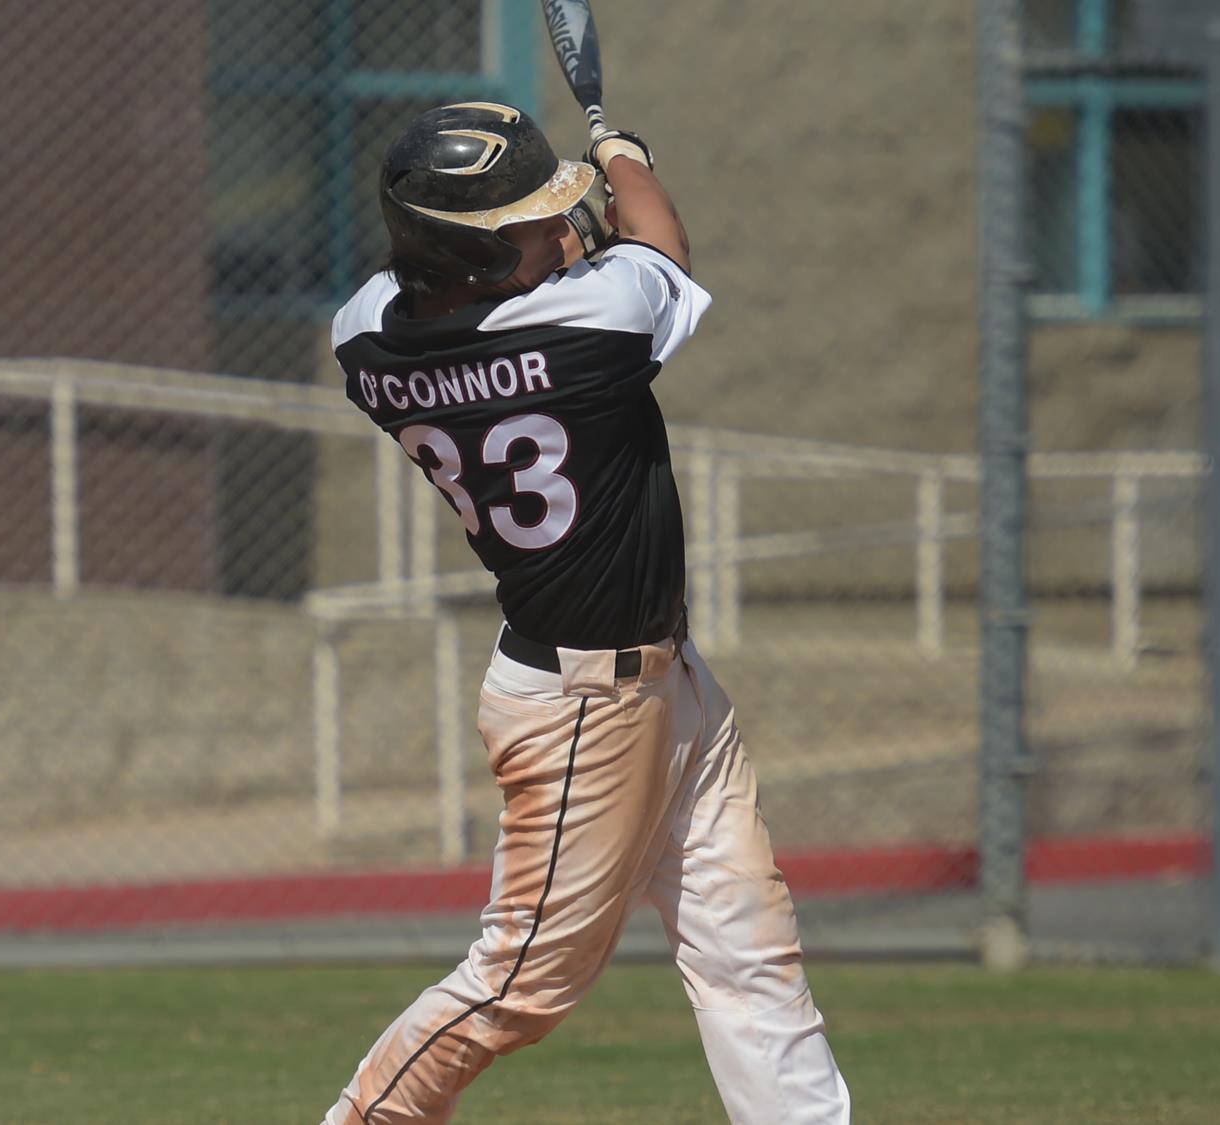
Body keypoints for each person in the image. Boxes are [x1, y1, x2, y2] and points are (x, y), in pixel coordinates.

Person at [321, 102, 851, 1125]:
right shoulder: (589, 327)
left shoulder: (363, 342)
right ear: (463, 252)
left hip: (661, 681)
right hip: (580, 710)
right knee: (520, 984)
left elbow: (475, 281)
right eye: (533, 222)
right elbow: (660, 242)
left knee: (748, 949)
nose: (564, 230)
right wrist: (620, 151)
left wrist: (544, 220)